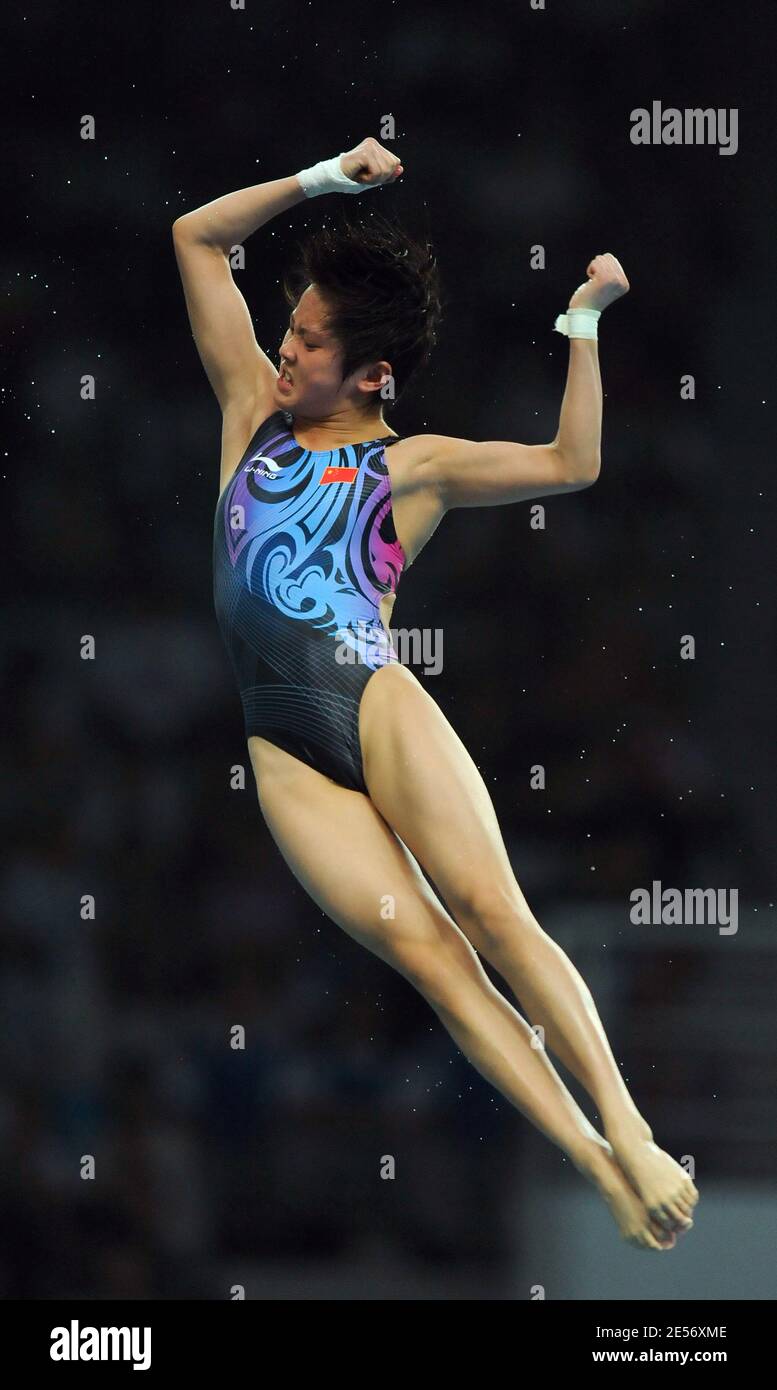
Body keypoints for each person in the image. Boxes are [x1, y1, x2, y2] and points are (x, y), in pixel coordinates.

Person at [173, 136, 698, 1250]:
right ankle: (596, 1163)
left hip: (372, 699)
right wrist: (321, 181)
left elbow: (573, 463)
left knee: (494, 917)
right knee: (435, 964)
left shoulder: (414, 467)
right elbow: (196, 236)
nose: (284, 349)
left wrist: (585, 321)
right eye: (289, 327)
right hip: (281, 750)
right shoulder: (245, 412)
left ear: (372, 374)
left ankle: (632, 1123)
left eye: (310, 342)